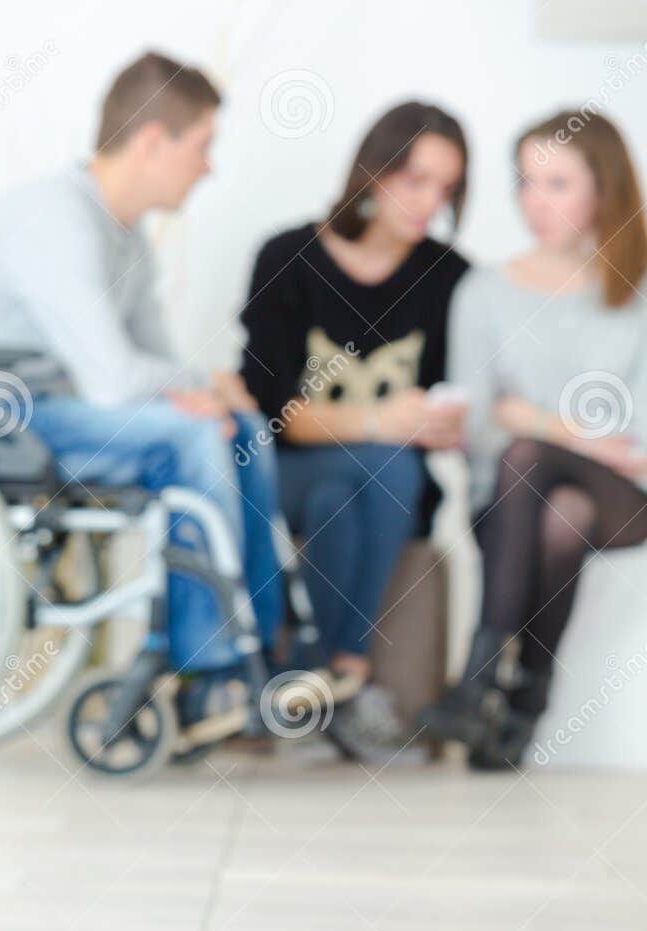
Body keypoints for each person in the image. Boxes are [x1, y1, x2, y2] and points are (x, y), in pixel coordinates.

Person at [0, 50, 283, 728]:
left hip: (46, 409)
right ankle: (208, 668)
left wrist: (207, 392)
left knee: (242, 429)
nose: (210, 167)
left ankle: (262, 647)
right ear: (151, 140)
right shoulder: (56, 220)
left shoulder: (128, 240)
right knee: (196, 431)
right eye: (203, 146)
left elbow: (152, 362)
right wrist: (200, 388)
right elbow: (114, 379)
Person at [239, 102, 471, 761]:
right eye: (416, 180)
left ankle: (325, 674)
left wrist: (446, 423)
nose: (430, 202)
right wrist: (377, 420)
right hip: (286, 465)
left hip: (374, 484)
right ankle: (347, 681)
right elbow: (270, 407)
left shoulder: (451, 276)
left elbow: (458, 394)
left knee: (359, 480)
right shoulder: (287, 257)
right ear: (374, 172)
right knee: (360, 466)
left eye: (447, 188)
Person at [419, 109, 647, 770]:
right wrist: (573, 430)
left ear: (602, 188)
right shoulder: (484, 291)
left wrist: (532, 418)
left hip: (623, 494)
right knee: (556, 509)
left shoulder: (634, 290)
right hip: (510, 498)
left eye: (557, 184)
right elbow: (478, 422)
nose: (534, 203)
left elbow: (633, 433)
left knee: (537, 464)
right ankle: (522, 702)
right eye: (526, 182)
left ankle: (479, 676)